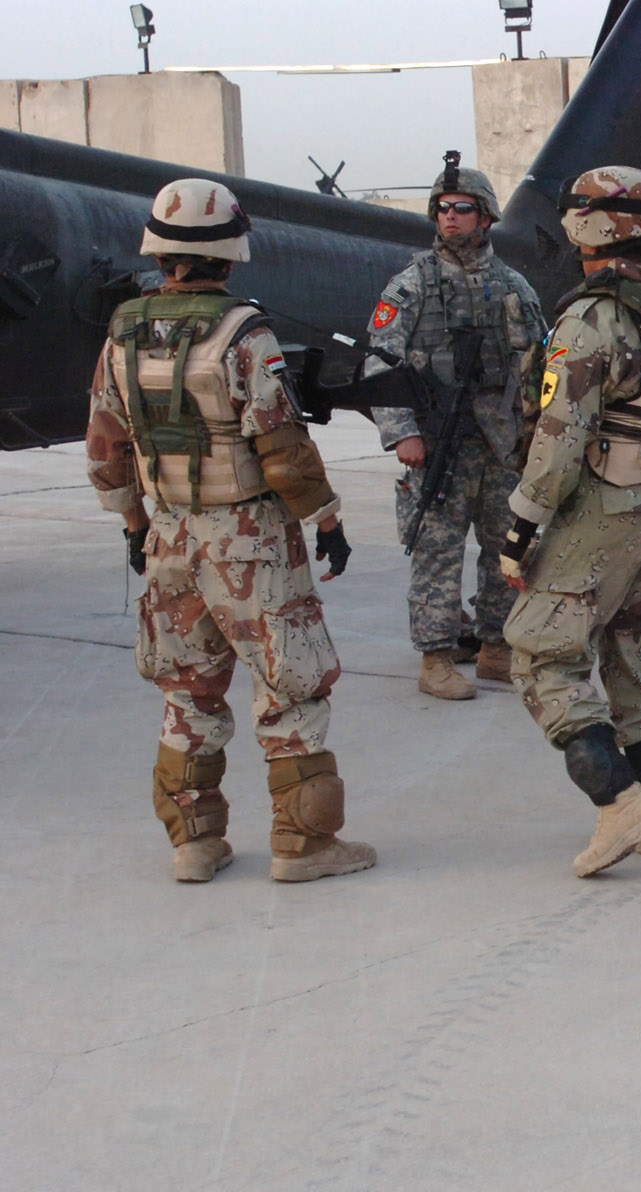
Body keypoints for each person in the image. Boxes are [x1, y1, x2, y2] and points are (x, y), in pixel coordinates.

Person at [86, 178, 375, 883]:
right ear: (230, 254)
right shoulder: (244, 333)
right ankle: (303, 844)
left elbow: (105, 442)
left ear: (160, 250)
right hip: (250, 538)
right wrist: (326, 515)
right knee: (291, 686)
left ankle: (194, 842)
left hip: (170, 536)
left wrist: (133, 521)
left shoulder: (121, 334)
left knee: (187, 690)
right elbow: (281, 444)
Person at [498, 166, 641, 876]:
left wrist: (522, 527)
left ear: (586, 230)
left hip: (601, 507)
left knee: (541, 653)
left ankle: (621, 804)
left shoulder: (590, 320)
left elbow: (558, 441)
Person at [365, 153, 545, 701]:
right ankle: (437, 655)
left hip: (499, 440)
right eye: (442, 209)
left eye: (462, 208)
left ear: (486, 216)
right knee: (437, 551)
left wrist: (536, 433)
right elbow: (380, 361)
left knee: (505, 548)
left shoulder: (512, 284)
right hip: (438, 440)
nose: (450, 217)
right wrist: (403, 433)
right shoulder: (412, 284)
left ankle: (497, 646)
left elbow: (539, 361)